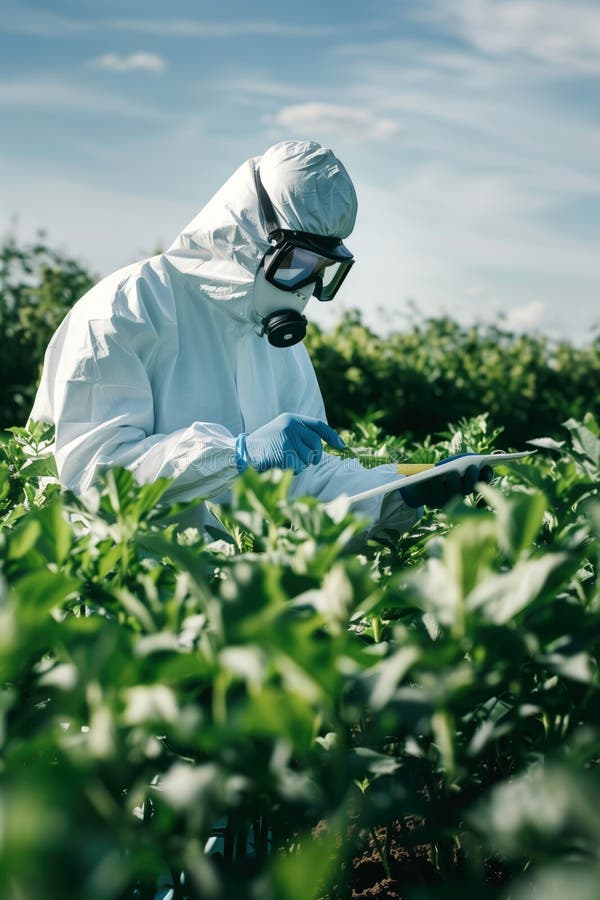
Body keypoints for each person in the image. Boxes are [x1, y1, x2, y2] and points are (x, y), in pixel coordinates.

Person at [30, 140, 487, 538]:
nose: (306, 288)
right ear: (249, 236)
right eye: (298, 265)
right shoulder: (127, 308)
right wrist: (234, 453)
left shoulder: (275, 343)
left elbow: (309, 483)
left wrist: (401, 492)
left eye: (321, 272)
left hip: (232, 603)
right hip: (125, 598)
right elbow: (94, 474)